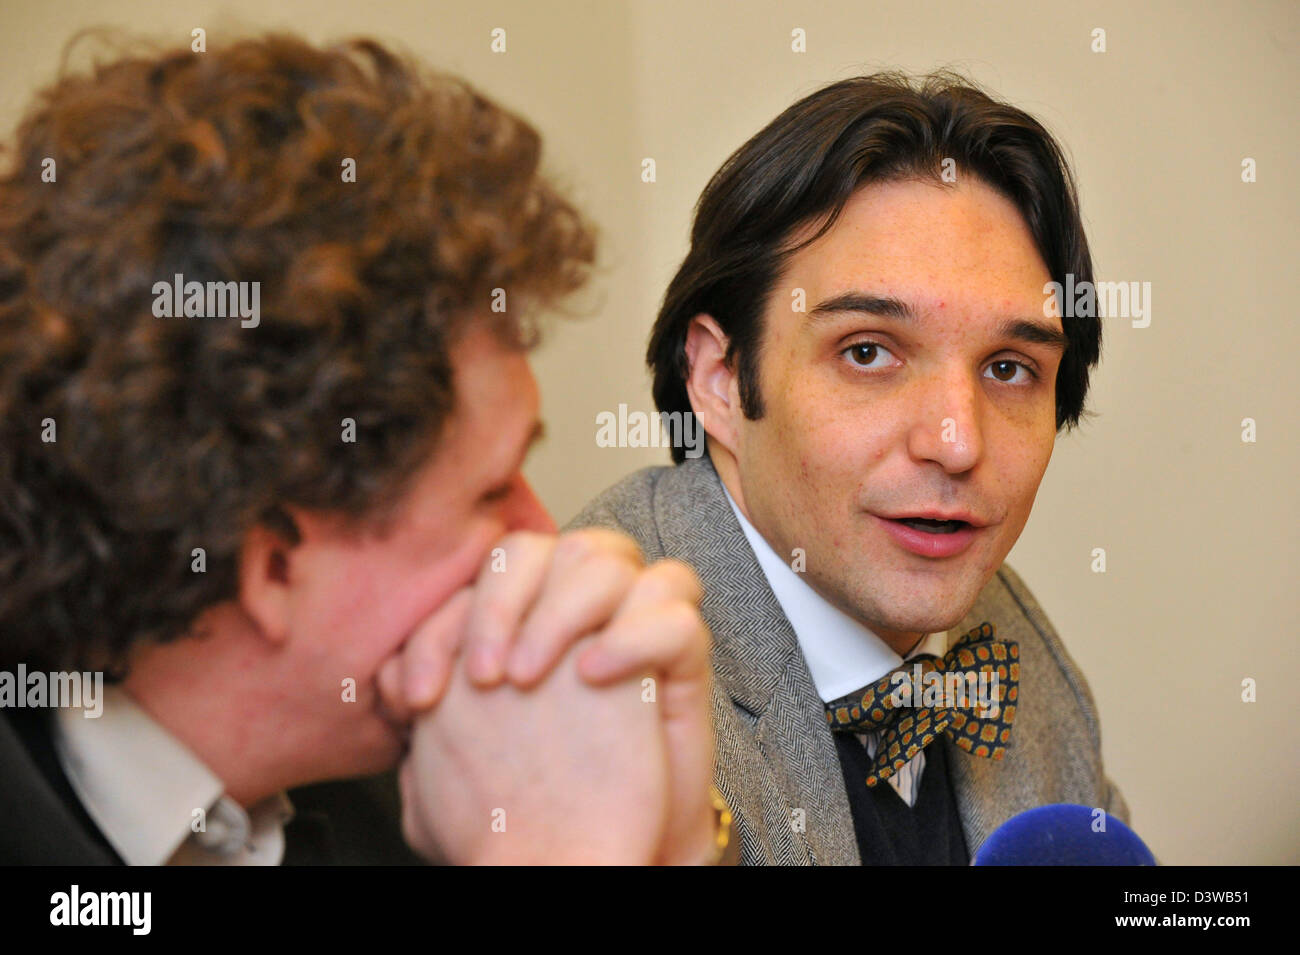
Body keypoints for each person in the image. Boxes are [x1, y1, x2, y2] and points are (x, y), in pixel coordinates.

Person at [0, 32, 722, 866]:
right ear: (269, 562)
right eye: (490, 493)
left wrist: (669, 840)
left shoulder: (440, 779)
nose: (544, 531)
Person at [562, 72, 1131, 864]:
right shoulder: (592, 686)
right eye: (868, 352)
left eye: (1007, 368)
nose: (956, 442)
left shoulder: (1018, 648)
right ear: (721, 381)